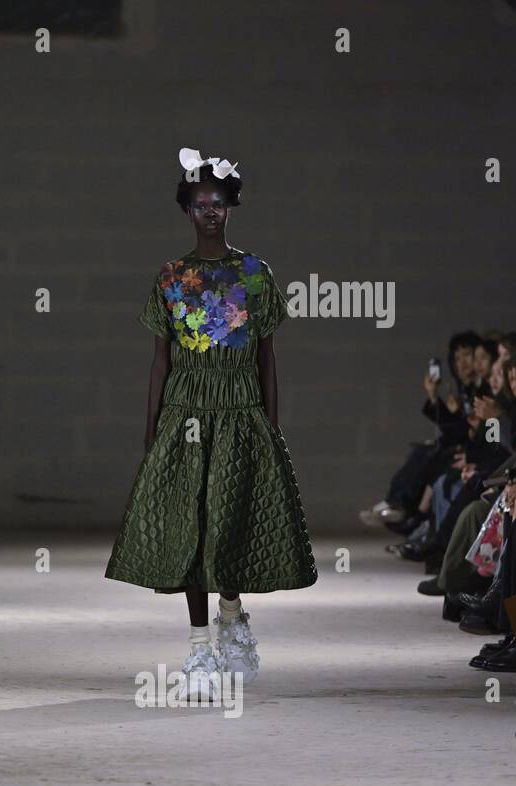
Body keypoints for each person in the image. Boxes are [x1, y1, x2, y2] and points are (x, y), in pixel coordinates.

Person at [104, 147, 318, 700]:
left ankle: (231, 617)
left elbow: (268, 358)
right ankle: (200, 646)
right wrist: (151, 430)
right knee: (190, 529)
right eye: (200, 204)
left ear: (231, 206)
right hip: (185, 412)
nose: (210, 212)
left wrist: (272, 424)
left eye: (218, 202)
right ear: (186, 210)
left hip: (241, 410)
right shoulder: (171, 277)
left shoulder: (255, 273)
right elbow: (160, 360)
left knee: (233, 520)